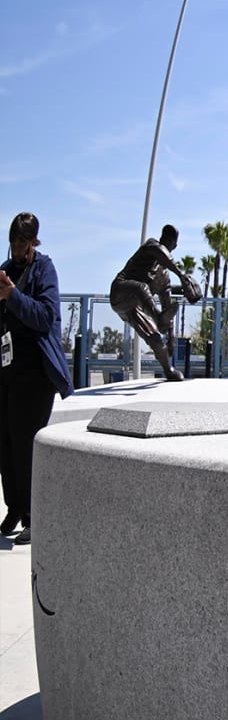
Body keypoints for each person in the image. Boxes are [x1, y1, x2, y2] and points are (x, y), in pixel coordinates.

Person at [0, 213, 74, 542]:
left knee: (26, 444)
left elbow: (46, 317)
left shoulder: (44, 269)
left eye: (22, 244)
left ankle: (34, 516)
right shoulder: (5, 270)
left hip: (35, 373)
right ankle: (14, 507)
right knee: (5, 443)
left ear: (33, 242)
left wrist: (13, 295)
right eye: (13, 244)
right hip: (7, 370)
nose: (17, 250)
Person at [110, 224, 201, 383]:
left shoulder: (164, 277)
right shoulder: (151, 245)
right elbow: (161, 253)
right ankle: (157, 319)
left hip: (135, 308)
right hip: (120, 292)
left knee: (155, 338)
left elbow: (167, 306)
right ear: (171, 244)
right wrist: (181, 275)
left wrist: (171, 339)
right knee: (142, 288)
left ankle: (168, 370)